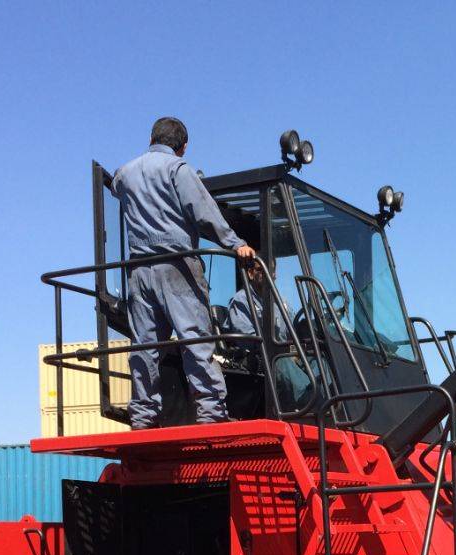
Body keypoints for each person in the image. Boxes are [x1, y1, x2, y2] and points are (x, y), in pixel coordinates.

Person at [111, 117, 253, 428]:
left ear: (152, 139)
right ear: (183, 146)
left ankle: (143, 414)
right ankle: (211, 412)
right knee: (195, 339)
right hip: (177, 265)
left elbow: (115, 187)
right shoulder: (179, 170)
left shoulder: (126, 173)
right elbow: (204, 215)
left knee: (145, 346)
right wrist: (235, 244)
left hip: (139, 271)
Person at [221, 254, 314, 412]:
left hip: (283, 352)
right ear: (250, 273)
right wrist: (283, 351)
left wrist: (297, 350)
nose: (266, 273)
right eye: (260, 269)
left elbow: (293, 334)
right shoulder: (241, 301)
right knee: (279, 359)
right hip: (257, 357)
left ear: (275, 274)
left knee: (317, 355)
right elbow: (248, 339)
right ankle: (309, 401)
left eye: (270, 269)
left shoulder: (280, 302)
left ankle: (325, 394)